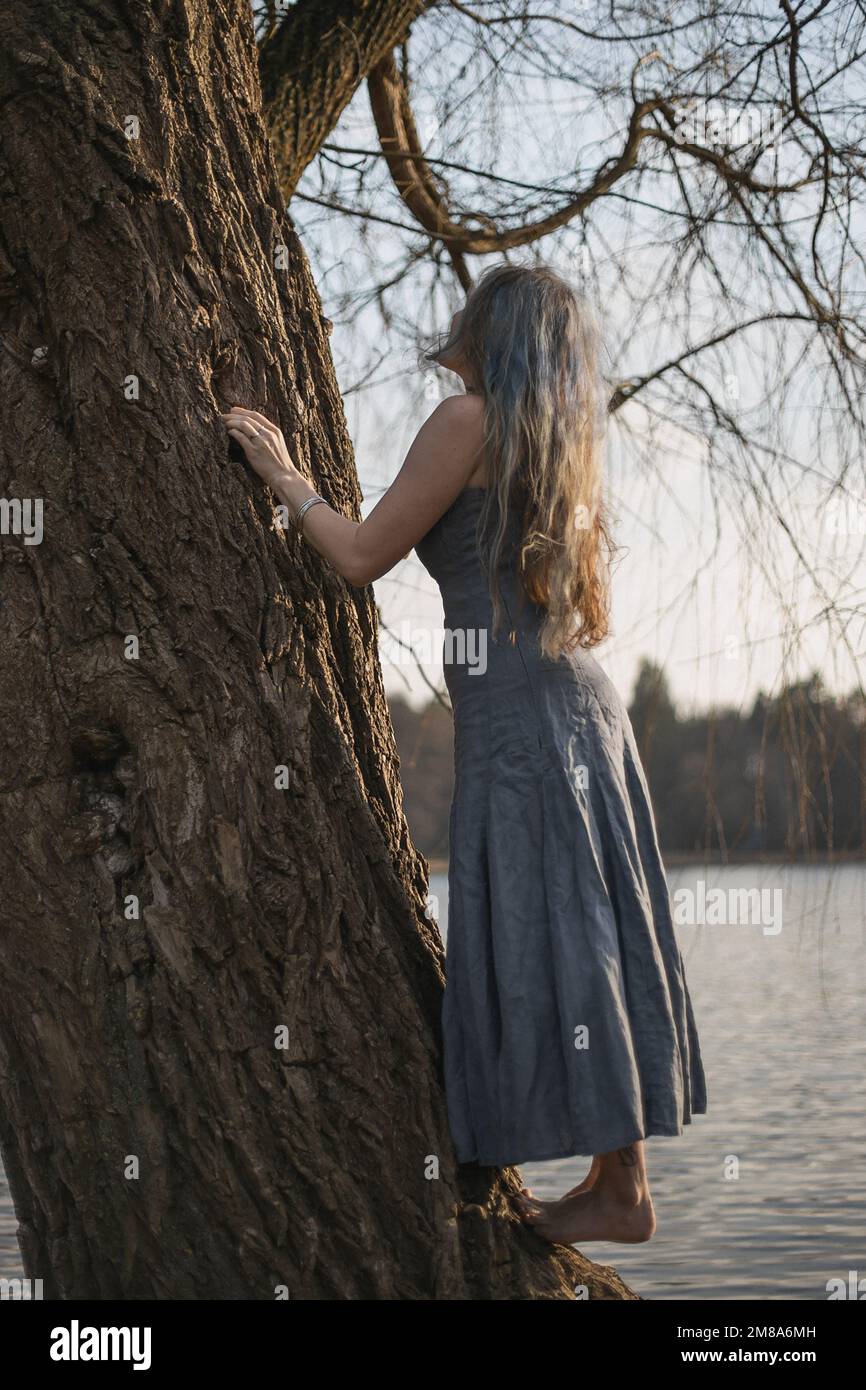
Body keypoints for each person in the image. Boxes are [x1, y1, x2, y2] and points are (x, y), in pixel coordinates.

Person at [221, 263, 706, 1247]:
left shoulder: (465, 421)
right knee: (584, 930)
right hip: (574, 709)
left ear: (490, 335)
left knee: (557, 928)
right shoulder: (553, 441)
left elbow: (358, 556)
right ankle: (621, 1185)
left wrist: (281, 476)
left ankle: (617, 1190)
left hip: (525, 721)